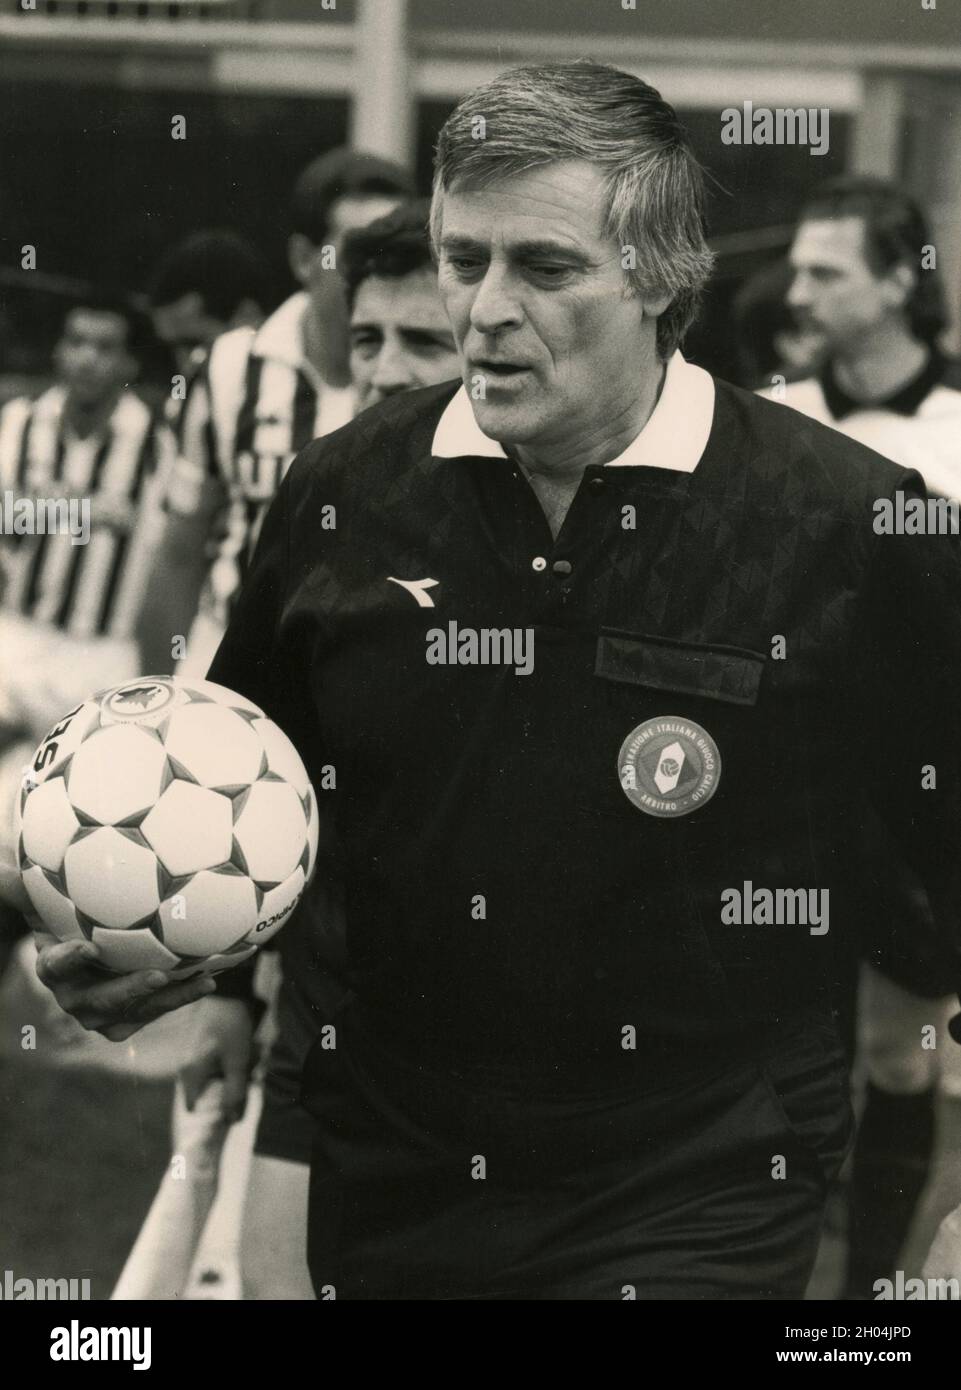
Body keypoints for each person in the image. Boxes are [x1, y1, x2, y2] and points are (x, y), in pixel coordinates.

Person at [33, 62, 961, 1301]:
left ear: (658, 275)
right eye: (462, 258)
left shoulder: (850, 523)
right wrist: (140, 939)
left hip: (703, 1182)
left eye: (546, 266)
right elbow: (241, 798)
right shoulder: (342, 494)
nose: (482, 310)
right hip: (393, 1167)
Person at [173, 198, 460, 1300]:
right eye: (368, 341)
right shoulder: (319, 512)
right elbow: (255, 769)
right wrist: (227, 995)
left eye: (423, 340)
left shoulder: (589, 537)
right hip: (329, 1024)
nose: (385, 372)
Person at [769, 176, 961, 1298]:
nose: (797, 290)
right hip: (775, 792)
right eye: (795, 267)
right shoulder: (771, 408)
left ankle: (865, 1311)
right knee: (766, 1057)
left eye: (826, 270)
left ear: (900, 282)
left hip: (918, 803)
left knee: (898, 1053)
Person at [136, 148, 414, 679]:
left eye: (393, 251)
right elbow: (180, 551)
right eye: (358, 249)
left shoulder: (427, 374)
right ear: (305, 258)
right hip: (235, 662)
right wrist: (159, 698)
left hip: (367, 674)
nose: (376, 270)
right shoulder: (230, 367)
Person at [0, 293, 174, 953]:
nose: (87, 360)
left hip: (103, 653)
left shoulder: (158, 446)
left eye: (105, 347)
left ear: (128, 362)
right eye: (76, 342)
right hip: (14, 634)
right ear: (57, 351)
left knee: (40, 831)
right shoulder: (17, 424)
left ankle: (45, 982)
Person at [146, 229, 270, 382]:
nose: (185, 369)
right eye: (171, 356)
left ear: (248, 317)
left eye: (192, 346)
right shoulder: (181, 391)